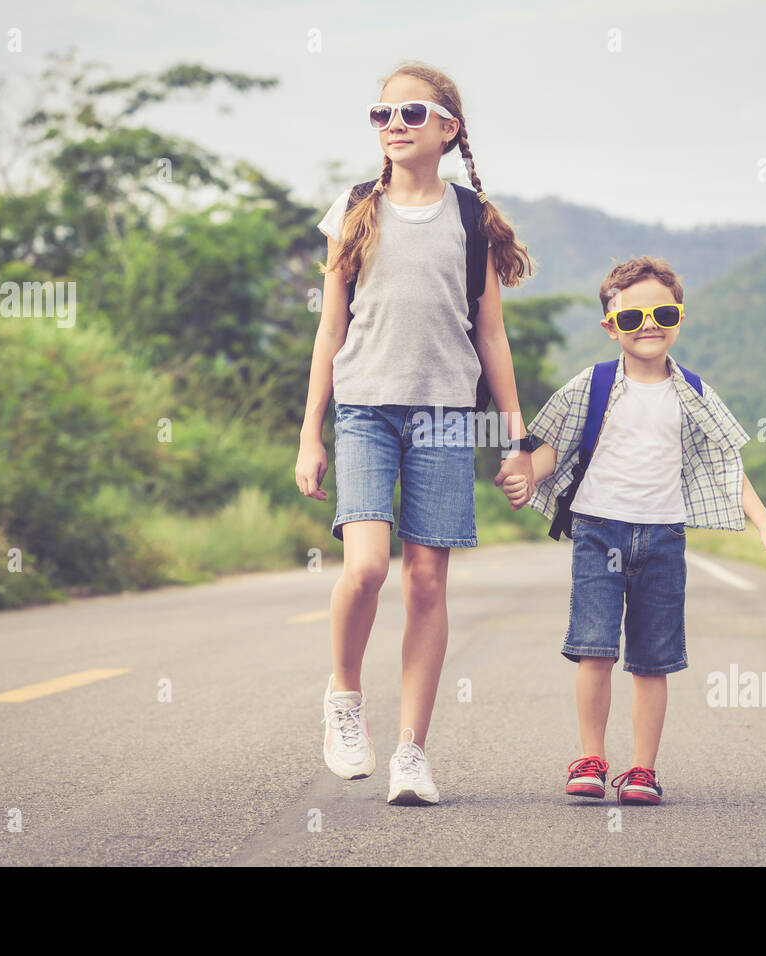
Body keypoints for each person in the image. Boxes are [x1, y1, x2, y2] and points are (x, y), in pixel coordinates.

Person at [295, 61, 536, 805]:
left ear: (448, 129)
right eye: (381, 114)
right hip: (365, 408)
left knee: (427, 581)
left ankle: (411, 753)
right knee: (366, 567)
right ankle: (343, 696)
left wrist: (517, 437)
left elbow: (491, 337)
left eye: (410, 113)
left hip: (443, 415)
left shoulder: (472, 221)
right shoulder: (355, 210)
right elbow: (330, 327)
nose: (393, 125)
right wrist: (311, 433)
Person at [504, 255, 766, 805]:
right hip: (598, 533)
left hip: (663, 538)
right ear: (610, 325)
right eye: (632, 317)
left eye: (662, 312)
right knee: (595, 650)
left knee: (652, 659)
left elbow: (724, 467)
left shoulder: (693, 393)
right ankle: (591, 757)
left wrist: (763, 522)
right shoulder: (589, 385)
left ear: (679, 315)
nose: (649, 325)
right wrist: (525, 476)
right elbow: (551, 449)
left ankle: (642, 769)